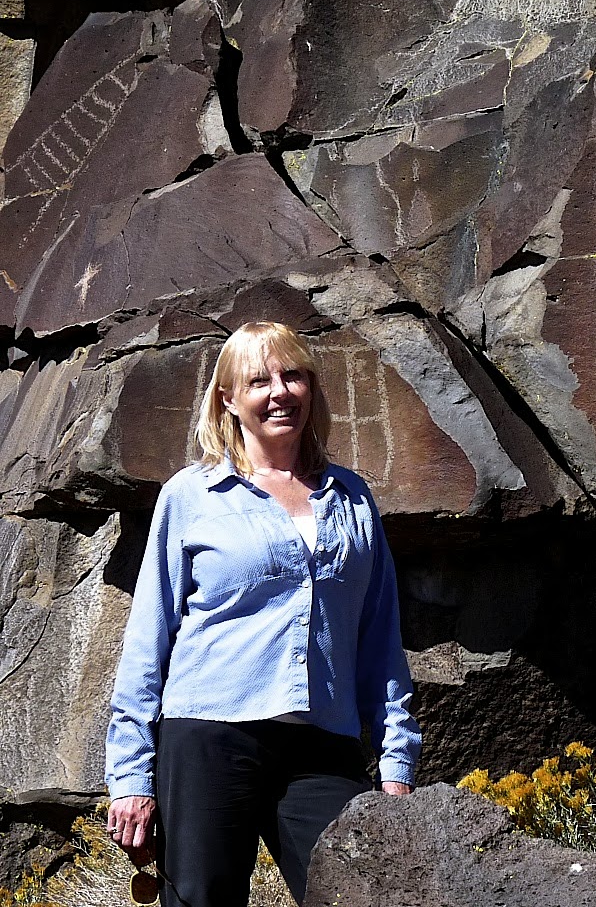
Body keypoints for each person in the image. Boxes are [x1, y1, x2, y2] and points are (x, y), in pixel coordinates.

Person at [104, 321, 421, 907]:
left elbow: (379, 642)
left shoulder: (352, 499)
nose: (280, 392)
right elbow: (148, 639)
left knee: (359, 895)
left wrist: (396, 761)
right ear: (228, 398)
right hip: (209, 735)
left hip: (322, 742)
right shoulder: (191, 496)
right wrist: (130, 775)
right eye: (259, 381)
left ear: (311, 388)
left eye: (293, 375)